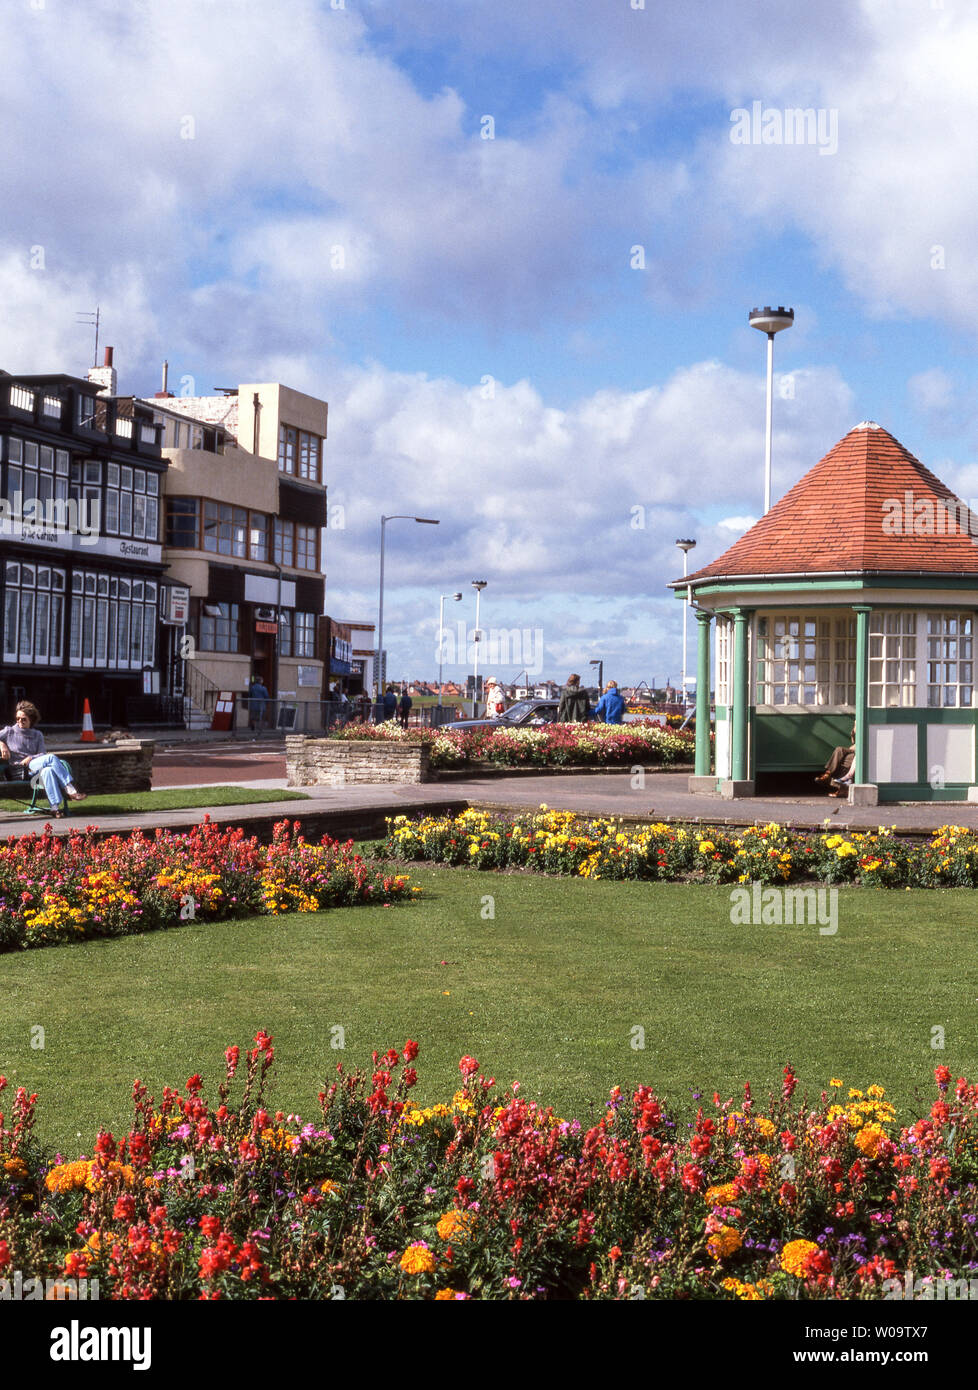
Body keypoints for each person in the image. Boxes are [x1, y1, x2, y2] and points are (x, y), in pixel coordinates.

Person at [0, 700, 86, 819]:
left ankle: (54, 808)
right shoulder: (9, 731)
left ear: (31, 720)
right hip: (18, 769)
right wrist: (2, 744)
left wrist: (31, 757)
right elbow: (46, 756)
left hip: (34, 770)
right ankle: (69, 789)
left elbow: (42, 754)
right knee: (51, 757)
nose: (19, 721)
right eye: (17, 718)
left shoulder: (37, 735)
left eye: (23, 719)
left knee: (48, 771)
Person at [816, 727, 856, 797]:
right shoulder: (857, 723)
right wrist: (853, 733)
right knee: (846, 759)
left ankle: (828, 774)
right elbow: (853, 741)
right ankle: (842, 790)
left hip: (859, 748)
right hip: (854, 748)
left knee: (839, 750)